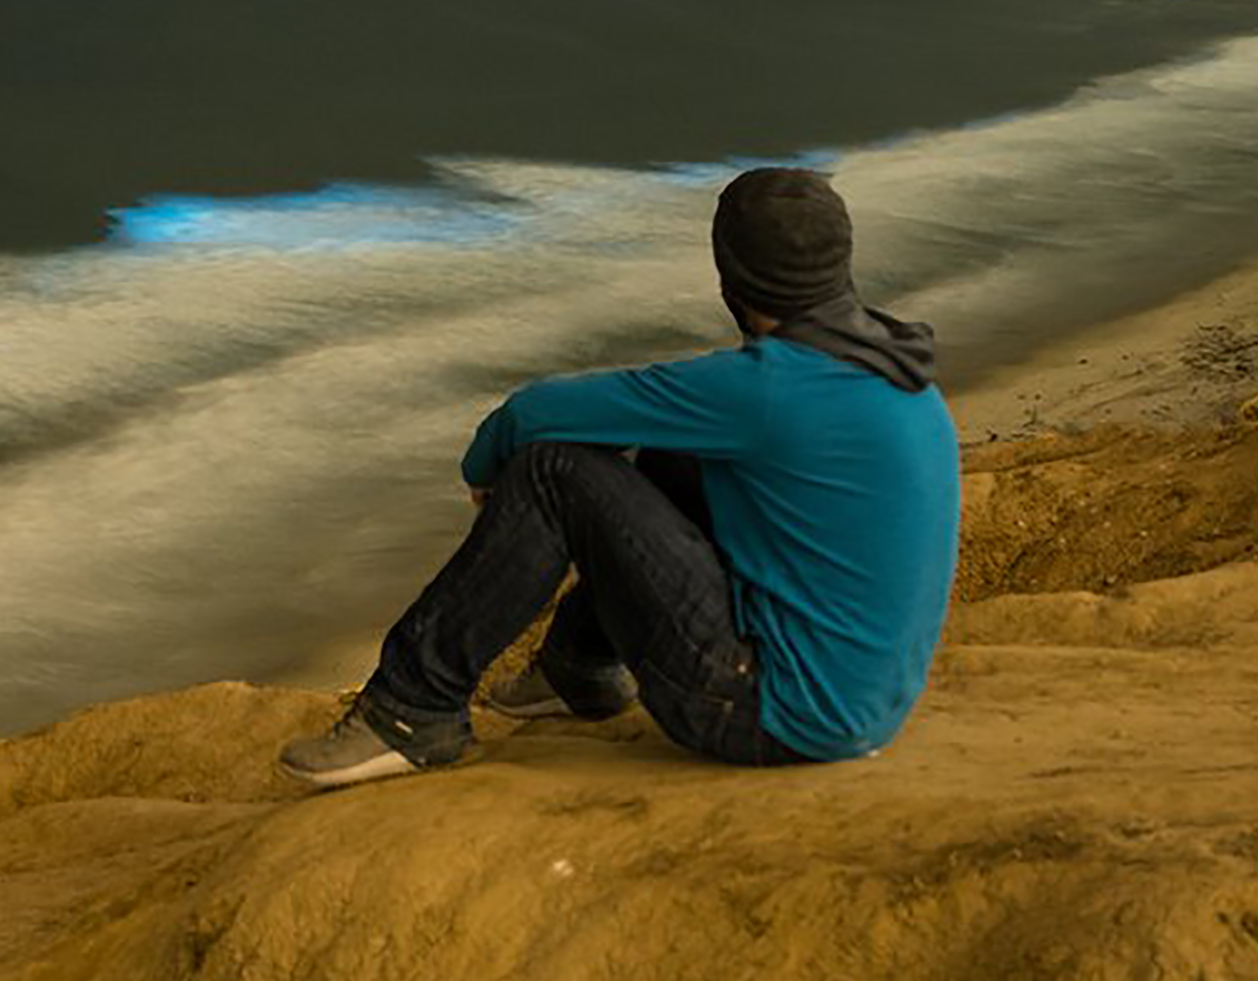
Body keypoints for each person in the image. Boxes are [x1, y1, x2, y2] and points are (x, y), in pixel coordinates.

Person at [280, 166, 960, 788]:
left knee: (553, 472)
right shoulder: (895, 366)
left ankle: (410, 710)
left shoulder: (770, 391)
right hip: (861, 707)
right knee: (677, 453)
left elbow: (532, 415)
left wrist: (487, 473)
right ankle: (578, 672)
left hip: (766, 713)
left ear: (734, 277)